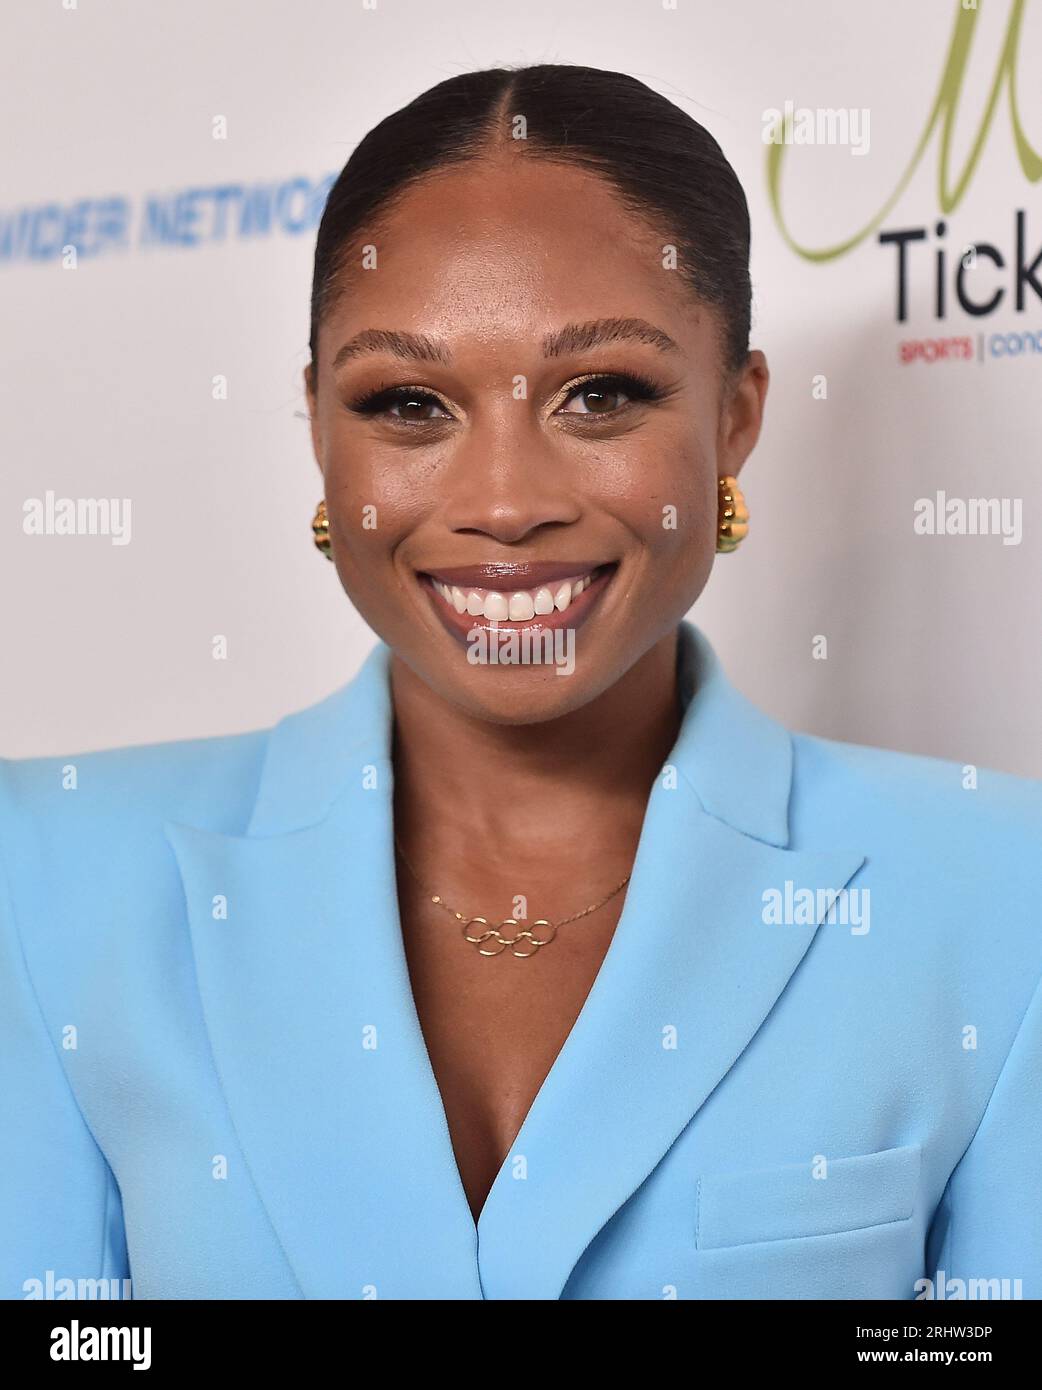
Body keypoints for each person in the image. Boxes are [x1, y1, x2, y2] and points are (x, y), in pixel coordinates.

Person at [2, 64, 1040, 1302]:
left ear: (734, 419)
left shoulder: (998, 893)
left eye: (601, 394)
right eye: (408, 402)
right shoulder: (45, 875)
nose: (504, 501)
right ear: (320, 431)